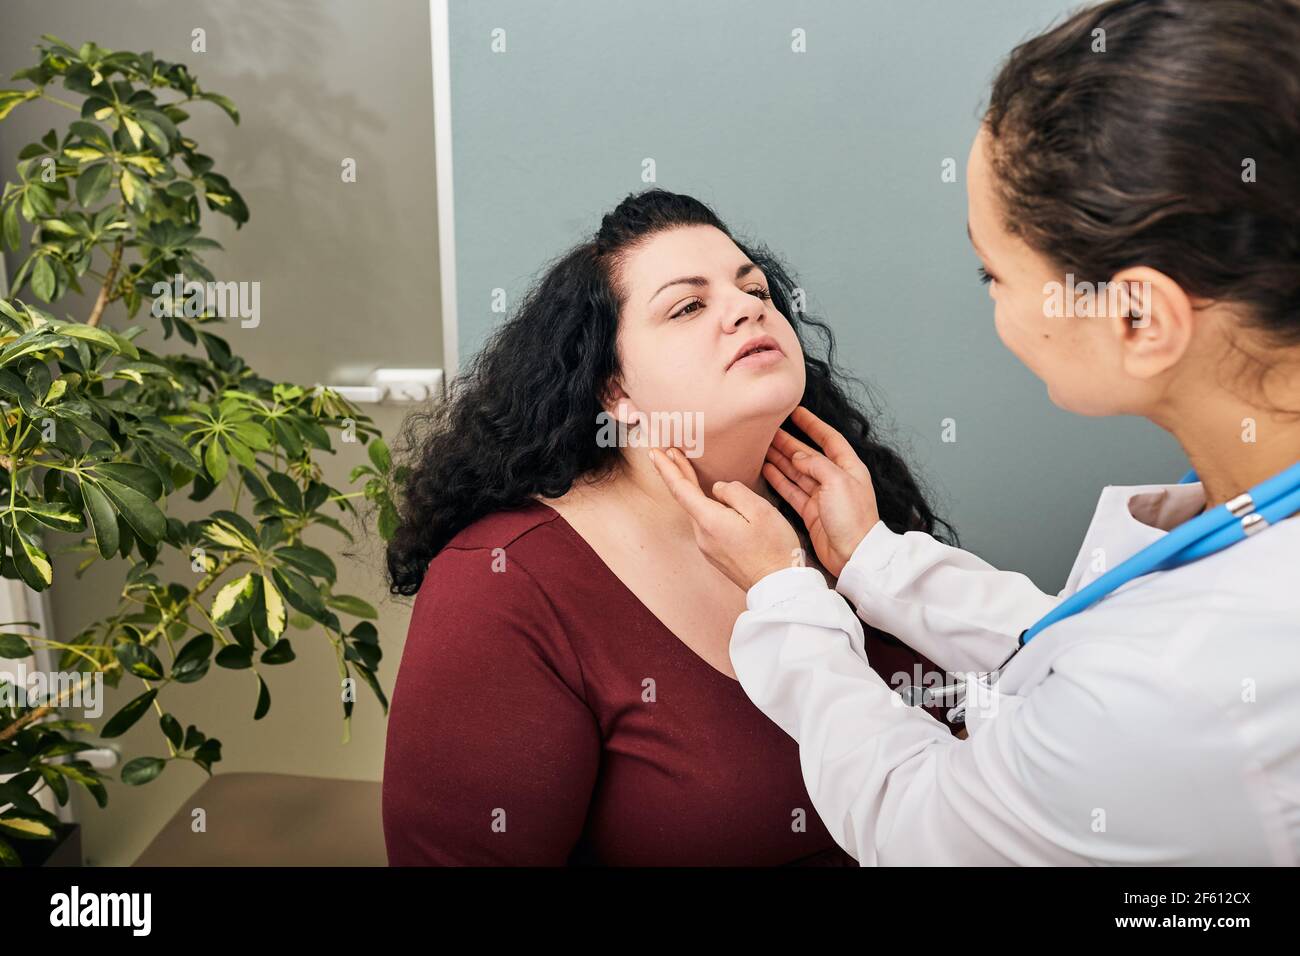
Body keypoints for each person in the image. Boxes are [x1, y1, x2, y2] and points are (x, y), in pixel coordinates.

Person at [650, 0, 1300, 865]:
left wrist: (785, 597)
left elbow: (921, 826)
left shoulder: (1182, 686)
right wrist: (877, 562)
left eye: (993, 272)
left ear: (1139, 318)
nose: (744, 310)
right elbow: (1088, 649)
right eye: (688, 305)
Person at [381, 188, 960, 865]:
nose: (748, 307)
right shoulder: (504, 580)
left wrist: (876, 559)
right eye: (689, 306)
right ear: (614, 392)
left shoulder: (858, 523)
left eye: (756, 290)